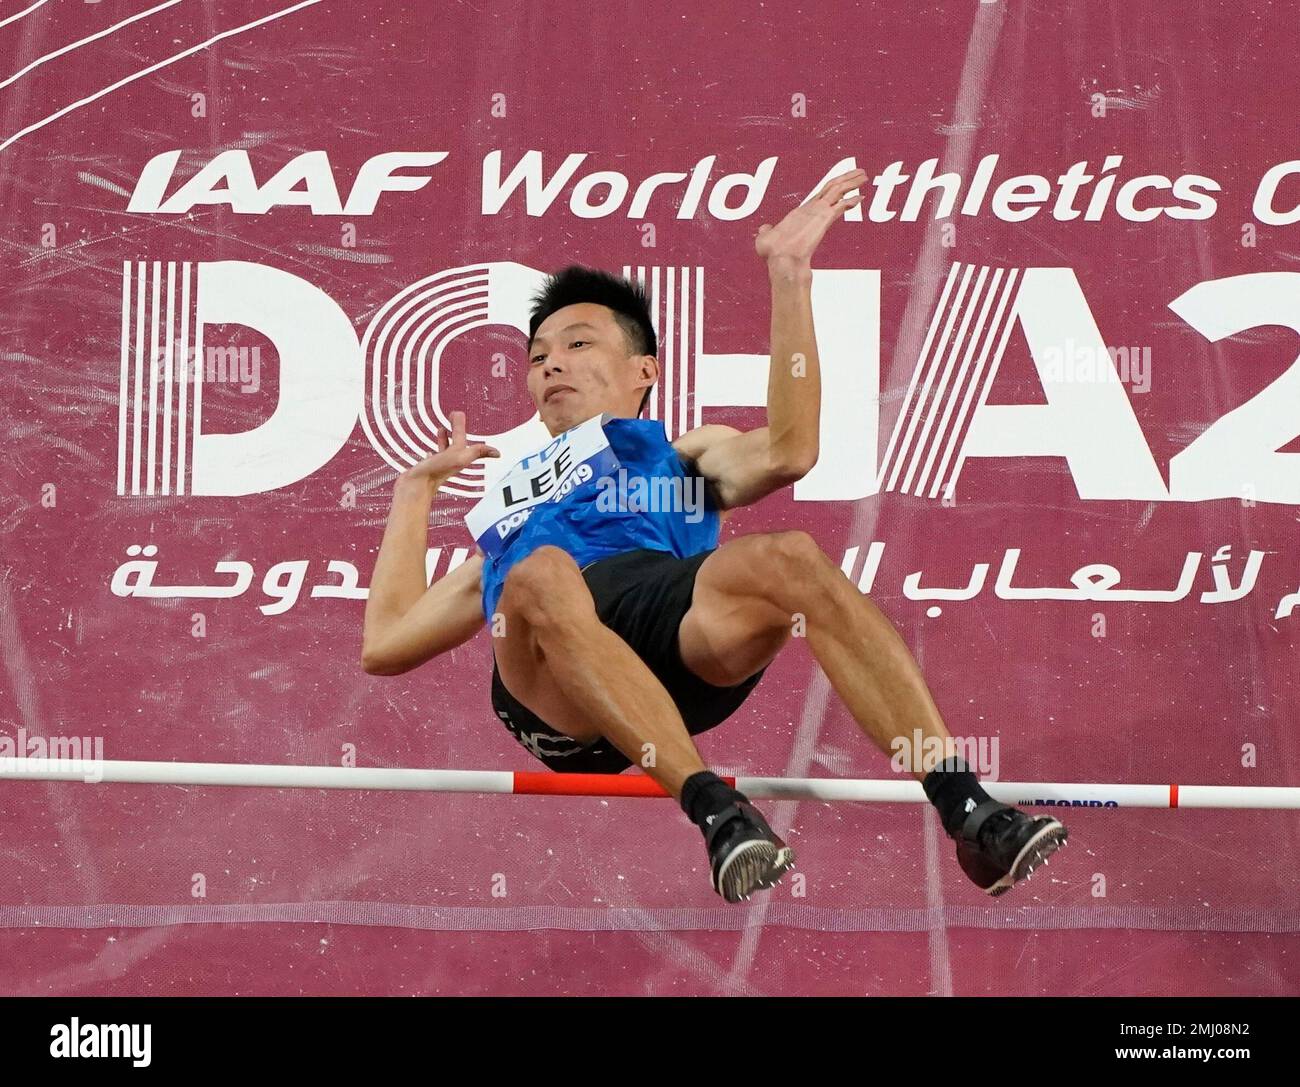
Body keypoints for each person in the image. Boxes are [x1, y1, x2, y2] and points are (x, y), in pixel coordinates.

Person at [363, 169, 1067, 903]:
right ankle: (716, 811)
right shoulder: (509, 517)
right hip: (557, 692)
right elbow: (383, 645)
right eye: (538, 356)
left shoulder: (681, 459)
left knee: (791, 558)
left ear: (645, 370)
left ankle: (965, 808)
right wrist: (416, 490)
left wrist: (789, 276)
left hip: (670, 643)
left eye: (576, 343)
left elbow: (792, 449)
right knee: (538, 572)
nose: (551, 364)